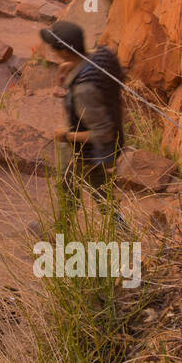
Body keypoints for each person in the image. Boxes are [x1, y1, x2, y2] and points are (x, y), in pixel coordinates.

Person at [38, 21, 126, 223]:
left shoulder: (84, 90)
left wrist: (66, 135)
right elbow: (105, 65)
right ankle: (122, 234)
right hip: (112, 142)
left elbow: (103, 133)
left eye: (55, 47)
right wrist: (76, 63)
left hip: (89, 153)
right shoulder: (105, 56)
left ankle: (61, 232)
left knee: (71, 188)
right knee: (100, 194)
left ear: (64, 52)